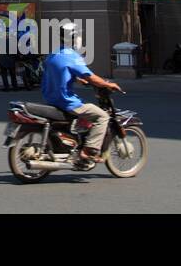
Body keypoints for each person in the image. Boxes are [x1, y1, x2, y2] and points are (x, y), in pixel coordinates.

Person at [41, 22, 121, 170]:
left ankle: (76, 142)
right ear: (75, 38)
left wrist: (77, 79)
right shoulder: (72, 56)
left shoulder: (53, 54)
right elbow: (91, 77)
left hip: (50, 98)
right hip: (66, 101)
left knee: (85, 112)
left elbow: (60, 73)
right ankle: (88, 151)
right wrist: (108, 84)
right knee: (102, 116)